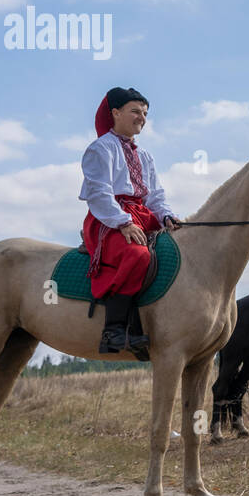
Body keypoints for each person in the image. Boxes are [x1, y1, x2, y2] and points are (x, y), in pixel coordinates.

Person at [79, 86, 182, 357]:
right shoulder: (100, 148)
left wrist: (166, 216)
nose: (142, 118)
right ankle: (114, 330)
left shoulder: (145, 156)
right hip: (108, 219)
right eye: (135, 111)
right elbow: (98, 193)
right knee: (137, 255)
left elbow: (155, 195)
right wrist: (123, 222)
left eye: (145, 113)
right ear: (115, 113)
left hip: (143, 216)